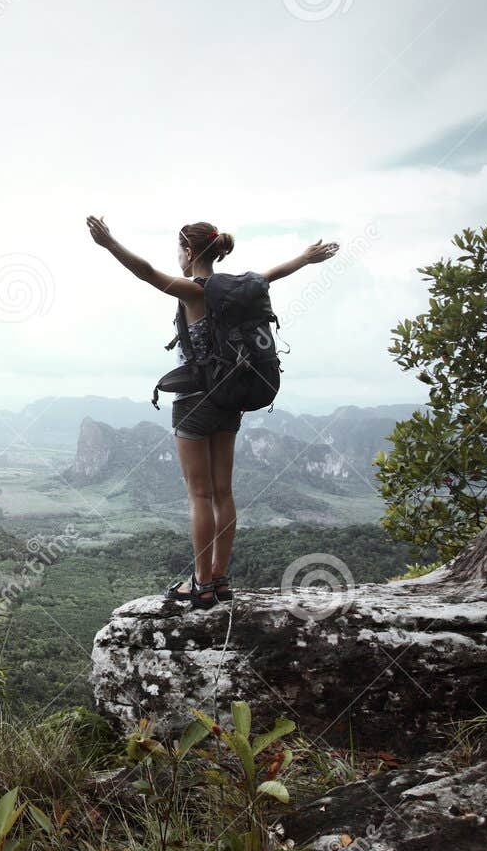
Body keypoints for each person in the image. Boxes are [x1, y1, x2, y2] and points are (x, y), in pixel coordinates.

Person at [85, 216, 339, 607]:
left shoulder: (193, 292)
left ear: (189, 252)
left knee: (199, 495)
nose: (178, 258)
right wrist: (306, 258)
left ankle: (201, 583)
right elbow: (272, 274)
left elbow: (146, 272)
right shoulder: (239, 289)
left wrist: (110, 244)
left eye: (179, 251)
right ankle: (219, 577)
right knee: (223, 493)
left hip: (194, 402)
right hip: (230, 397)